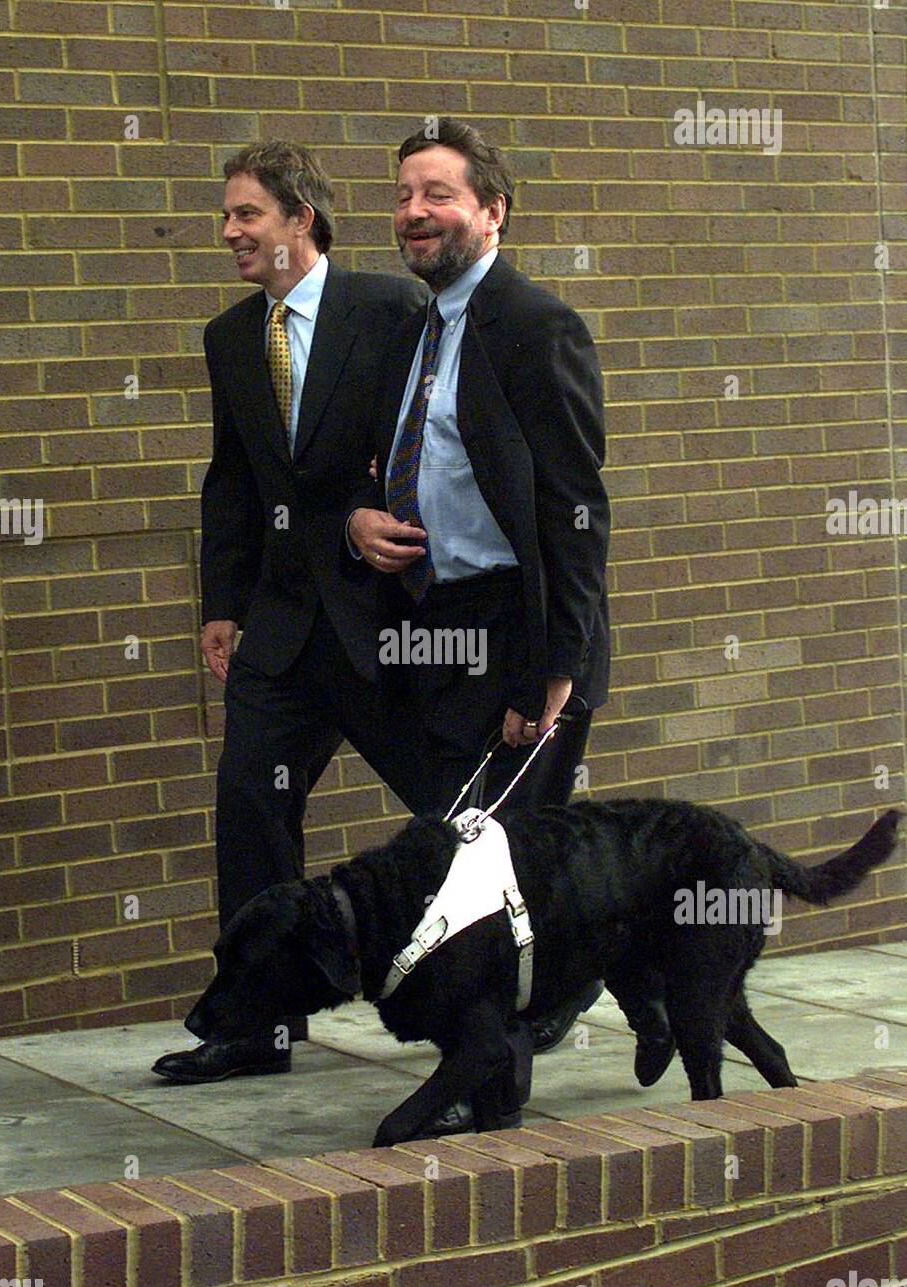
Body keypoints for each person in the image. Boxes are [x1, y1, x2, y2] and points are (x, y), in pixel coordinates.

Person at [346, 121, 672, 1134]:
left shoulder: (536, 323)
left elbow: (578, 504)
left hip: (517, 633)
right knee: (493, 855)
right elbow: (390, 458)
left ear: (492, 210)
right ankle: (633, 995)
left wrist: (558, 667)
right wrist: (361, 520)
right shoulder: (415, 324)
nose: (414, 212)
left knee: (494, 867)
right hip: (433, 625)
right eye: (404, 194)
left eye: (437, 193)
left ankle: (493, 1071)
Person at [153, 141, 429, 1085]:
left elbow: (426, 443)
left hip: (385, 626)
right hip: (280, 629)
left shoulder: (391, 310)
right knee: (251, 809)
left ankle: (529, 987)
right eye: (226, 216)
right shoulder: (231, 338)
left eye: (246, 214)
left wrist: (368, 512)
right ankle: (259, 1025)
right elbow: (231, 481)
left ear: (300, 219)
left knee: (461, 812)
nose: (230, 232)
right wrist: (219, 605)